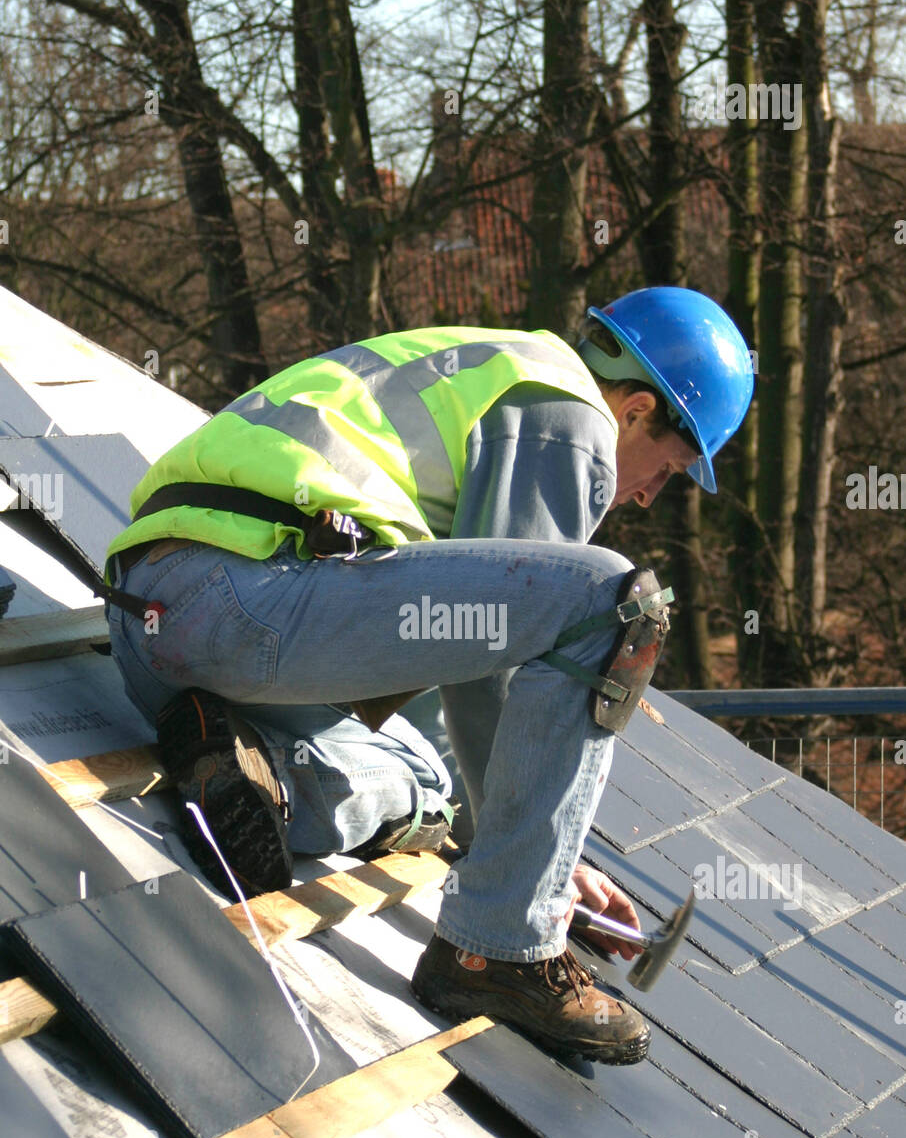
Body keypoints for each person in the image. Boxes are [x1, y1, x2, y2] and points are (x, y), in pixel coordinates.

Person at [105, 285, 753, 1065]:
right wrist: (533, 875)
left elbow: (463, 675)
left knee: (423, 777)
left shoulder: (491, 363)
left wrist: (528, 849)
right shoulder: (568, 419)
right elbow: (498, 670)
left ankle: (262, 771)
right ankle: (500, 949)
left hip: (157, 630)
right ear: (637, 410)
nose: (649, 494)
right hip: (254, 603)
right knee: (619, 601)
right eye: (670, 468)